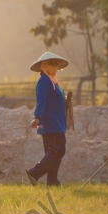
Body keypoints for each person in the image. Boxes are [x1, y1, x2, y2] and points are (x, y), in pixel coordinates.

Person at [27, 51, 70, 185]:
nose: (56, 67)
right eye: (52, 64)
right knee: (58, 150)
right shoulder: (44, 81)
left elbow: (54, 99)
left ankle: (52, 181)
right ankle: (34, 172)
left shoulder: (52, 82)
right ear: (44, 66)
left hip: (57, 122)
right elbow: (41, 101)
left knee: (53, 152)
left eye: (56, 65)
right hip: (50, 123)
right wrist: (37, 117)